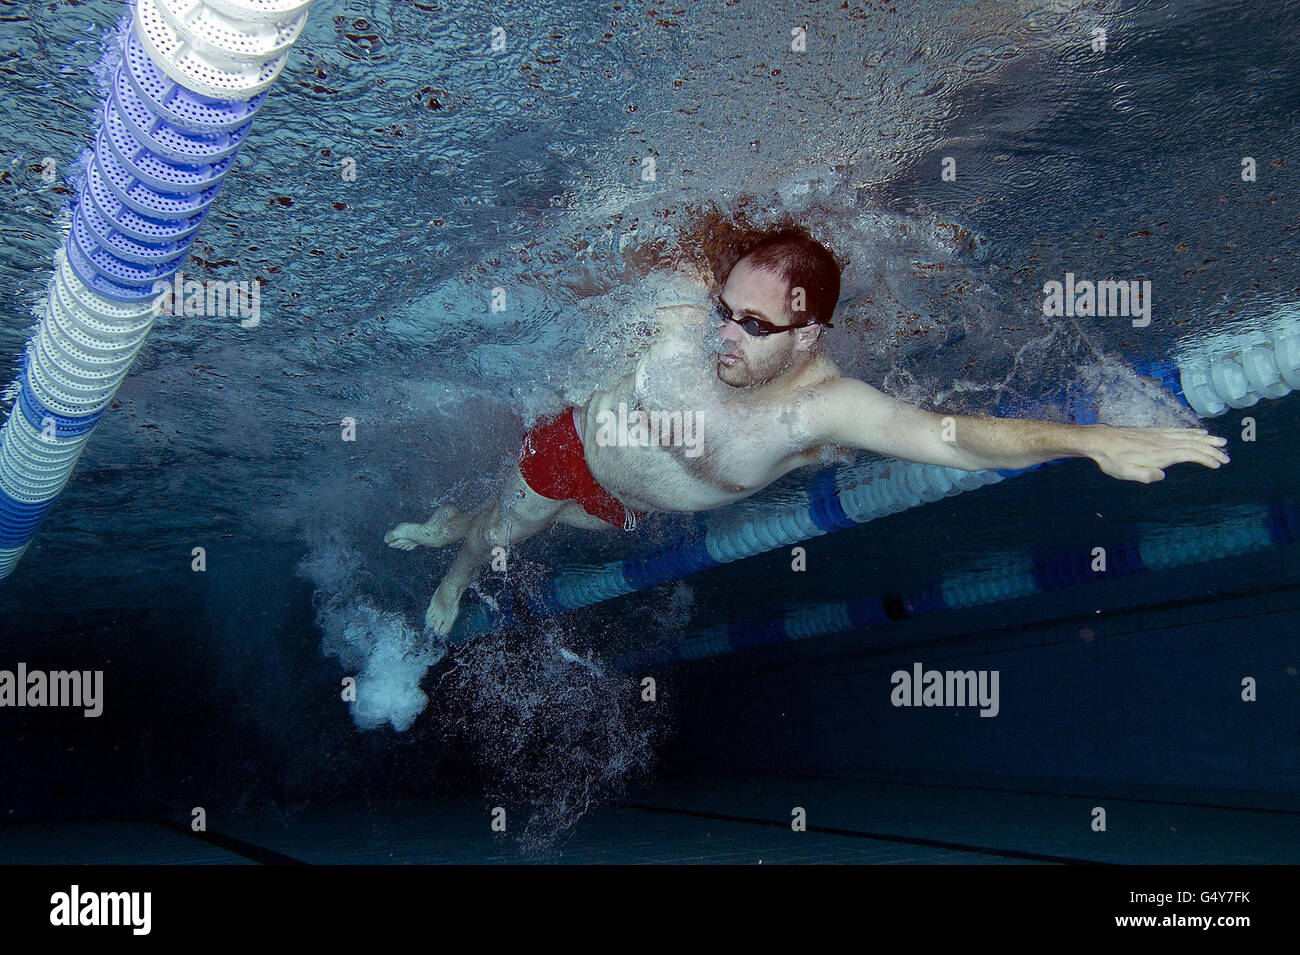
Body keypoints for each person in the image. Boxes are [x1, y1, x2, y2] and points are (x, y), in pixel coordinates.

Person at [386, 226, 1229, 637]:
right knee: (508, 528)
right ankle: (459, 567)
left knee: (547, 524)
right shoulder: (687, 305)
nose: (723, 336)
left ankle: (462, 527)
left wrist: (1084, 439)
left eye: (752, 327)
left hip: (626, 501)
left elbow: (950, 438)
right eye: (724, 311)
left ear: (807, 335)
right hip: (575, 446)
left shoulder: (821, 408)